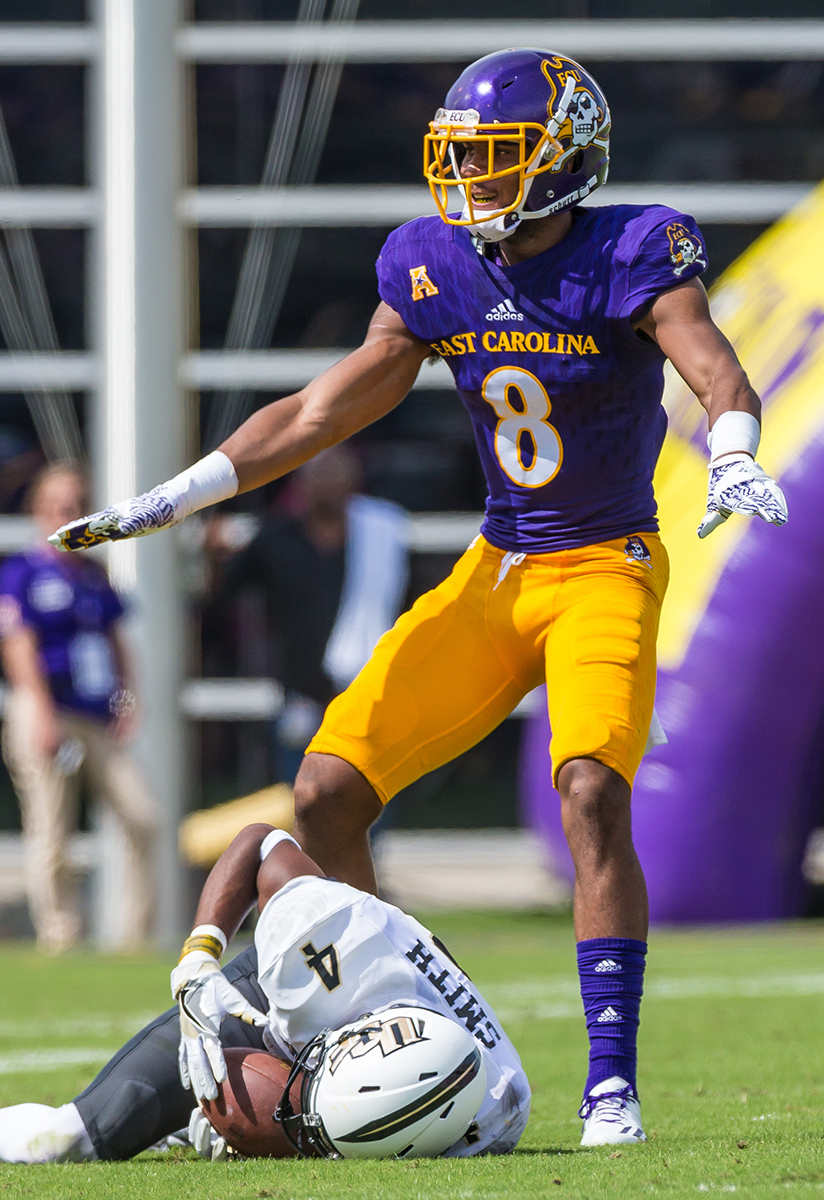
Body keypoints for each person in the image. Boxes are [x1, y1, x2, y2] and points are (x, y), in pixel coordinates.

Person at [50, 50, 787, 1146]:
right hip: (497, 568)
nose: (473, 184)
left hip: (603, 564)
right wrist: (185, 493)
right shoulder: (434, 261)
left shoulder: (633, 245)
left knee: (589, 791)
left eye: (496, 160)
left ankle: (611, 1085)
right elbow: (319, 412)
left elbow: (711, 360)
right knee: (325, 792)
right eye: (463, 159)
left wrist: (731, 447)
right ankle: (399, 1019)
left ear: (565, 158)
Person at [0, 822, 529, 1167]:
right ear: (332, 1043)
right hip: (263, 992)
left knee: (263, 1126)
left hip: (350, 1030)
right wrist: (201, 962)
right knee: (65, 1139)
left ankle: (198, 1128)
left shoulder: (493, 1111)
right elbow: (261, 843)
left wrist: (298, 1136)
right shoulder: (330, 942)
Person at [0, 463, 158, 954]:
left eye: (76, 504)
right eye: (59, 504)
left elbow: (117, 640)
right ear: (38, 510)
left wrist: (128, 699)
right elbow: (17, 646)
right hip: (46, 708)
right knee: (51, 830)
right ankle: (59, 936)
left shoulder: (93, 574)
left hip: (94, 712)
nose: (68, 513)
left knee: (143, 817)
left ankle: (135, 937)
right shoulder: (20, 571)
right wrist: (40, 712)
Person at [212, 445, 409, 782]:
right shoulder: (276, 539)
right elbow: (220, 593)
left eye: (339, 471)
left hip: (366, 693)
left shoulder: (378, 535)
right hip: (300, 695)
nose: (330, 481)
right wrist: (211, 554)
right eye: (321, 472)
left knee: (367, 799)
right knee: (300, 796)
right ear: (302, 483)